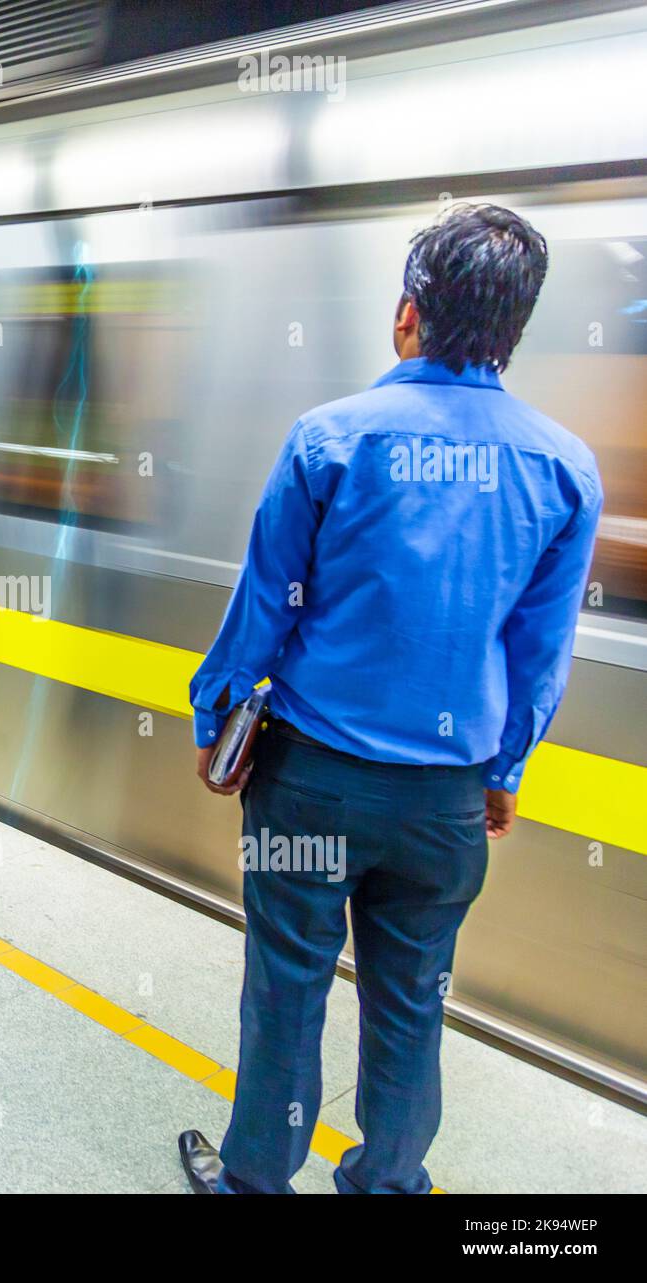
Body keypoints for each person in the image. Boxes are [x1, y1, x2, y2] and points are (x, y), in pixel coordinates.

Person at [181, 205, 602, 1194]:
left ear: (408, 315)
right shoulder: (562, 466)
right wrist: (504, 770)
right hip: (444, 804)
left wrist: (217, 723)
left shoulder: (331, 437)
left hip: (312, 782)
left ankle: (255, 1179)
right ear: (512, 332)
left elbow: (263, 610)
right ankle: (387, 1181)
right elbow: (539, 652)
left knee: (286, 989)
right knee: (413, 998)